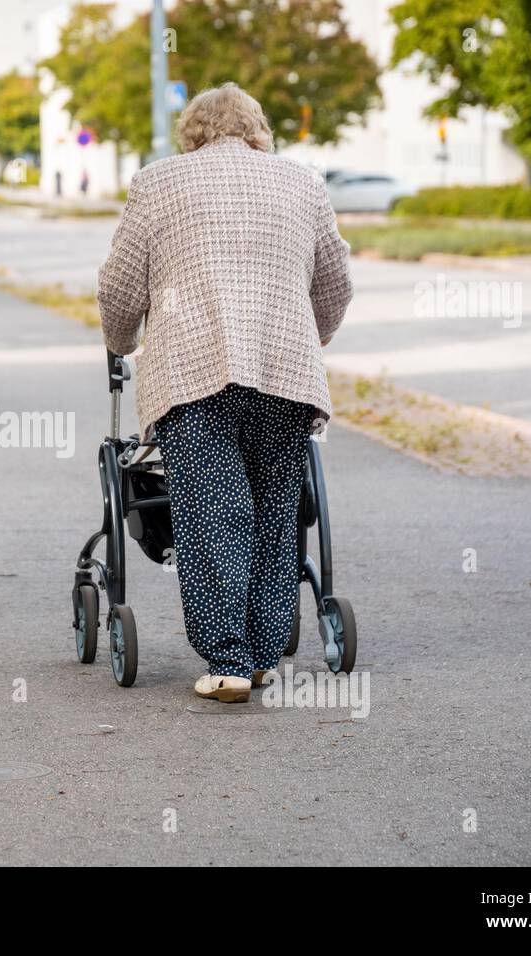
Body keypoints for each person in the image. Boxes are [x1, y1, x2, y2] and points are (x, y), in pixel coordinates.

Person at [96, 83, 352, 703]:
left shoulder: (158, 183)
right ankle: (263, 653)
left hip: (193, 370)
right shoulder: (304, 183)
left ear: (193, 130)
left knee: (215, 511)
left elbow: (120, 287)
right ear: (258, 128)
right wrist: (303, 335)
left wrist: (121, 339)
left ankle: (228, 660)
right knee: (274, 511)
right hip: (284, 374)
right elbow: (337, 285)